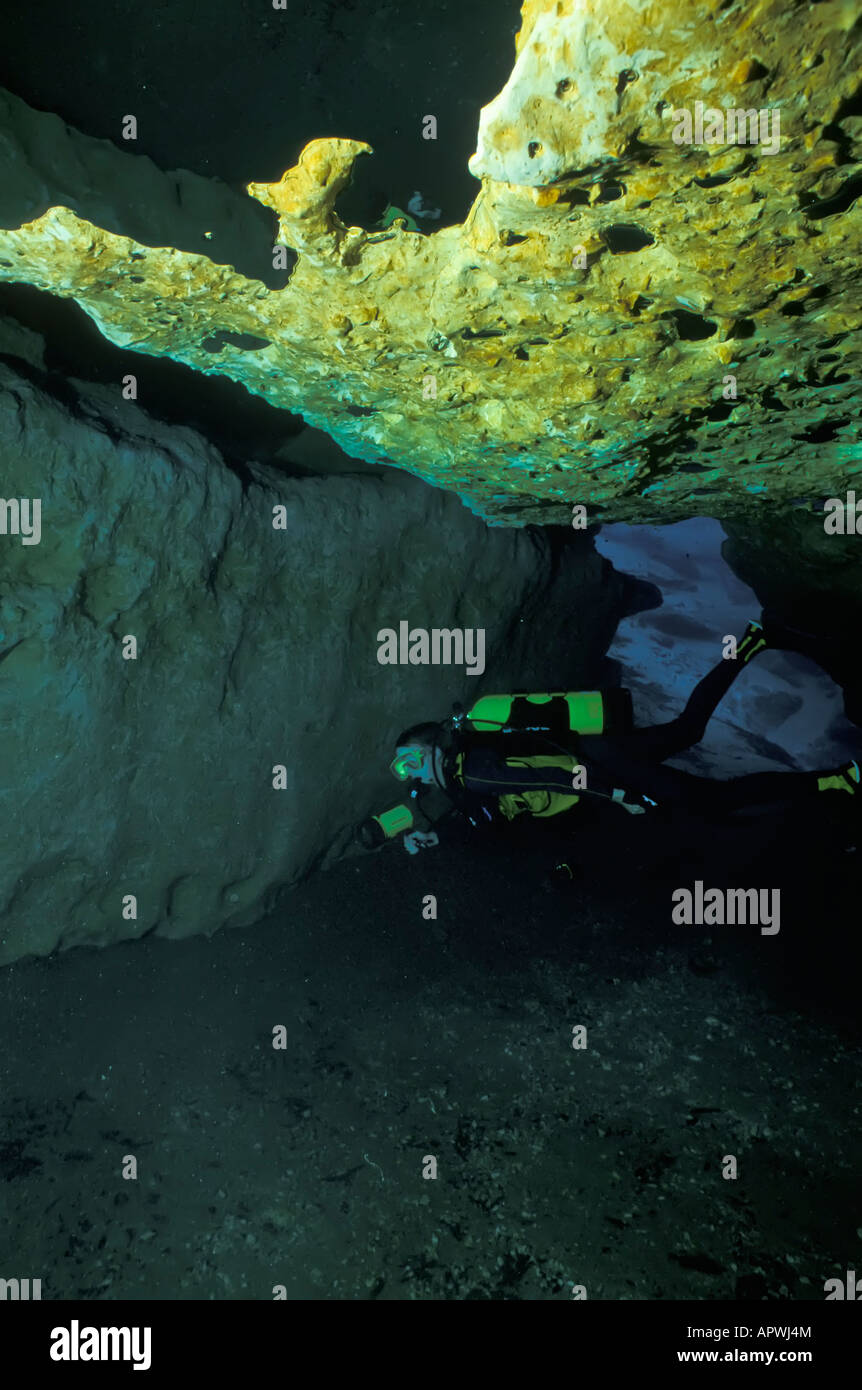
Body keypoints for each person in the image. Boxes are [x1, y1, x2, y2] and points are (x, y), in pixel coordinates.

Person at [363, 620, 860, 855]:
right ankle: (750, 643)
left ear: (428, 747)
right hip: (598, 751)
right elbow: (484, 796)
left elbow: (559, 779)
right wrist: (432, 828)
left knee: (713, 802)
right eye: (402, 769)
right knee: (688, 730)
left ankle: (835, 781)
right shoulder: (464, 770)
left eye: (407, 760)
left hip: (600, 766)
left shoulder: (469, 768)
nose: (408, 772)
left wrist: (622, 795)